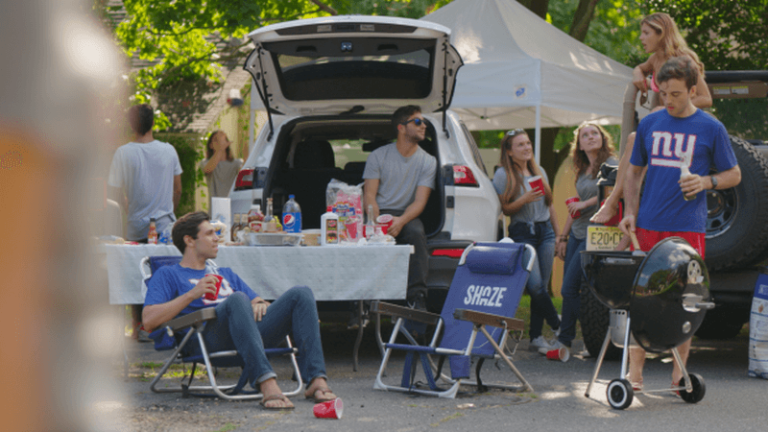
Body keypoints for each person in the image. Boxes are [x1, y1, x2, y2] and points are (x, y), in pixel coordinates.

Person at [619, 56, 741, 390]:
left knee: (686, 300)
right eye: (664, 94)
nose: (668, 101)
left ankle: (679, 375)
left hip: (688, 227)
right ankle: (635, 374)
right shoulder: (651, 124)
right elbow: (633, 171)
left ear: (691, 90)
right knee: (641, 298)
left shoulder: (710, 127)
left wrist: (705, 183)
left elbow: (734, 174)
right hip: (648, 224)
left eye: (675, 94)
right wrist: (629, 211)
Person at [142, 211, 337, 410]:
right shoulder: (169, 274)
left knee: (301, 294)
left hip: (249, 336)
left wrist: (260, 302)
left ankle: (316, 380)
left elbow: (258, 302)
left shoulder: (225, 273)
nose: (216, 238)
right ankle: (266, 382)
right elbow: (149, 320)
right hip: (209, 339)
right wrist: (192, 294)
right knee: (237, 299)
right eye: (209, 233)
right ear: (189, 240)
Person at [591, 12, 712, 224]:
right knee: (635, 146)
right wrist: (638, 73)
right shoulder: (655, 59)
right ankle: (626, 215)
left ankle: (613, 203)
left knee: (632, 140)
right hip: (662, 128)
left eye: (646, 33)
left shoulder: (683, 60)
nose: (641, 38)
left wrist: (666, 110)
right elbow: (642, 68)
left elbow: (705, 98)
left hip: (685, 126)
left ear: (661, 33)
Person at [109, 104, 183, 341]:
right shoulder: (169, 151)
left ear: (131, 125)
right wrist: (170, 209)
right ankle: (163, 326)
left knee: (134, 274)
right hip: (164, 226)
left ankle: (137, 326)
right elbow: (178, 189)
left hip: (135, 224)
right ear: (153, 123)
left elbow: (115, 191)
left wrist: (127, 207)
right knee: (163, 274)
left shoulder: (123, 153)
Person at [547, 123, 618, 358]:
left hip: (597, 234)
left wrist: (584, 204)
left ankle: (595, 336)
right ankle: (565, 341)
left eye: (594, 133)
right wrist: (563, 236)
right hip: (577, 233)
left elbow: (610, 198)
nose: (590, 138)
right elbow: (575, 205)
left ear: (602, 137)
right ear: (578, 144)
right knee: (573, 290)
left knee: (569, 289)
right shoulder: (583, 168)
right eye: (584, 135)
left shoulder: (611, 164)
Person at [492, 129, 562, 353]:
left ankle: (536, 337)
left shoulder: (538, 170)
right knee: (535, 286)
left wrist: (559, 234)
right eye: (520, 145)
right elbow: (504, 209)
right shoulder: (503, 175)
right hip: (522, 232)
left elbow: (550, 204)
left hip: (546, 232)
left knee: (542, 286)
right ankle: (559, 325)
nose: (526, 148)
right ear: (510, 152)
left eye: (528, 143)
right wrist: (524, 199)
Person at [363, 105, 436, 310]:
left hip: (406, 213)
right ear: (401, 128)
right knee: (363, 240)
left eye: (424, 122)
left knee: (416, 233)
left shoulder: (428, 161)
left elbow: (420, 202)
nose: (423, 126)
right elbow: (369, 195)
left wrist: (401, 221)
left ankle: (417, 298)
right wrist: (376, 224)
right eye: (418, 122)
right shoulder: (378, 156)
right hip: (378, 211)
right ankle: (360, 302)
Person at [199, 130, 243, 207]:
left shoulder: (237, 163)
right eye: (216, 140)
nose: (220, 142)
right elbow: (208, 169)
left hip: (233, 208)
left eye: (223, 140)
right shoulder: (205, 162)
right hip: (215, 210)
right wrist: (220, 149)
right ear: (210, 145)